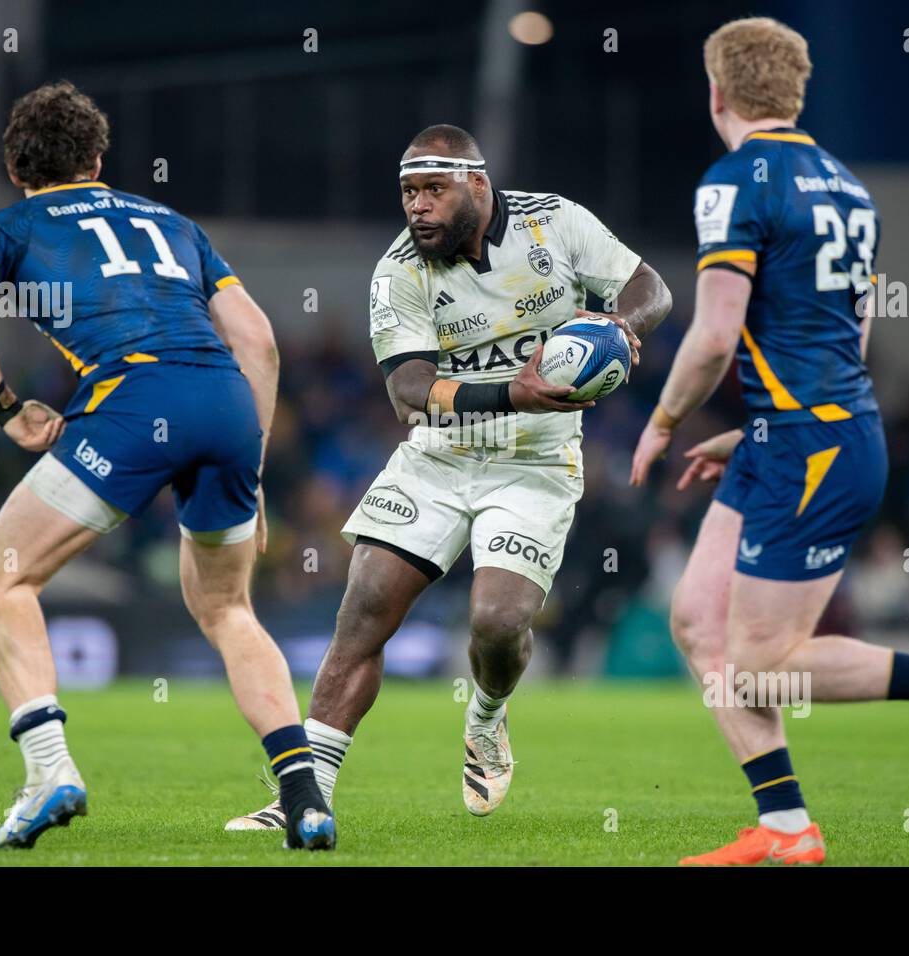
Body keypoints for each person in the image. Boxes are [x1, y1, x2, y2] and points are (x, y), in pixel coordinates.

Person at [630, 18, 909, 866]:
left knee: (755, 664)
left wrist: (665, 422)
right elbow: (844, 342)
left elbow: (712, 338)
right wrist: (751, 428)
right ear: (795, 92)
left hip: (812, 448)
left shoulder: (734, 181)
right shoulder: (849, 187)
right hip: (801, 434)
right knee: (700, 623)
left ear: (718, 94)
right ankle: (786, 829)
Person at [228, 124, 671, 830]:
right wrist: (511, 393)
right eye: (408, 192)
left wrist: (620, 324)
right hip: (439, 456)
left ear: (476, 183)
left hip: (535, 461)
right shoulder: (399, 271)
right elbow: (409, 390)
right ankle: (303, 799)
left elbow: (651, 285)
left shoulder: (554, 223)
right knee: (363, 613)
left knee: (497, 624)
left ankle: (488, 717)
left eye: (433, 189)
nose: (418, 207)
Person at [0, 80, 334, 851]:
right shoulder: (171, 221)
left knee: (4, 579)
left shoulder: (9, 222)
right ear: (99, 158)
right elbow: (260, 341)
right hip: (224, 401)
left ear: (17, 165)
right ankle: (306, 798)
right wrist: (251, 456)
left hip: (133, 394)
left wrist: (5, 407)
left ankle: (50, 773)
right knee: (227, 611)